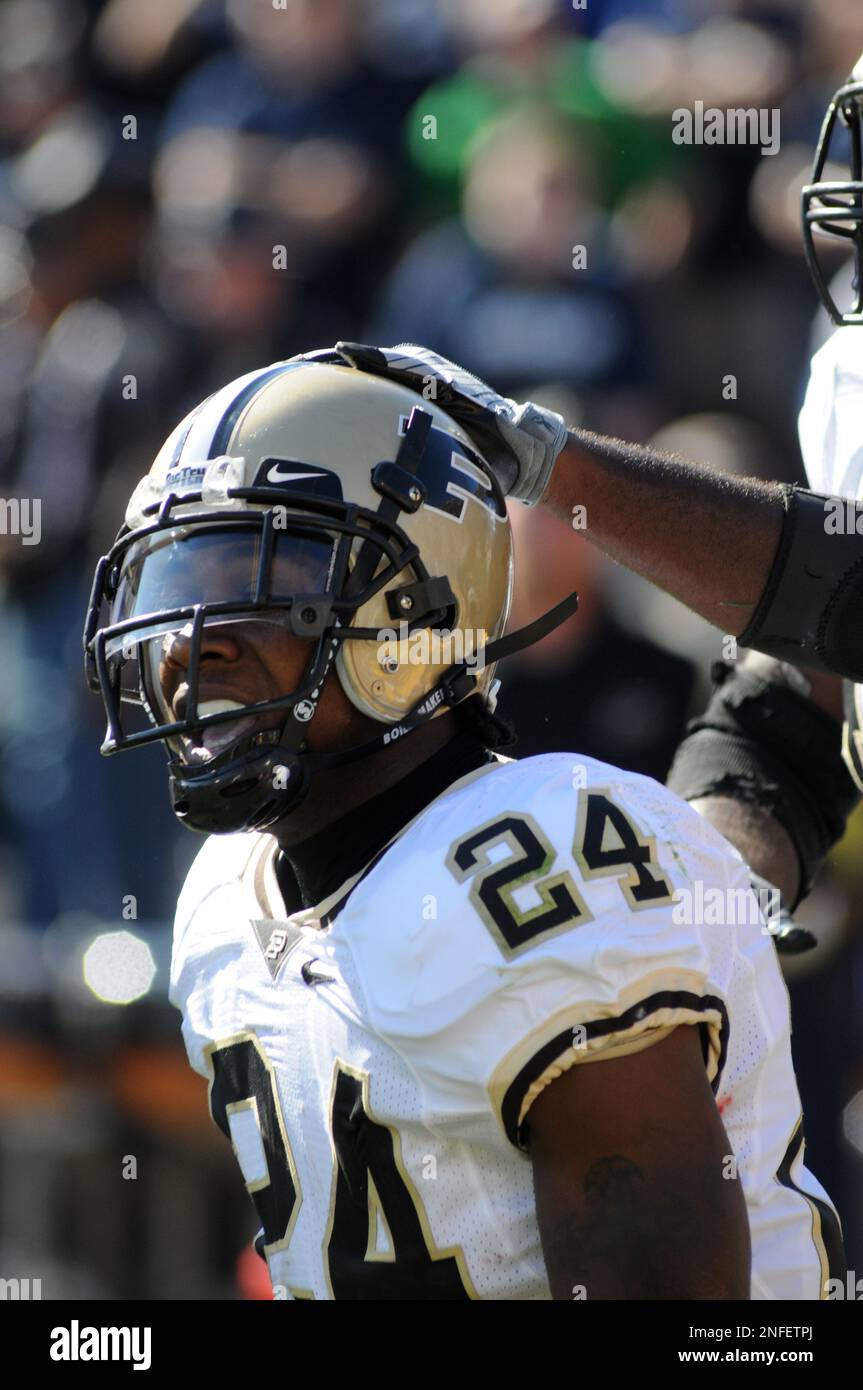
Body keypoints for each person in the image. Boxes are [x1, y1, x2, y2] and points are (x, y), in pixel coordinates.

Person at [84, 355, 842, 1299]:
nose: (189, 640)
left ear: (409, 613)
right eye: (173, 581)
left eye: (254, 574)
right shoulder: (224, 892)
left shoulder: (529, 863)